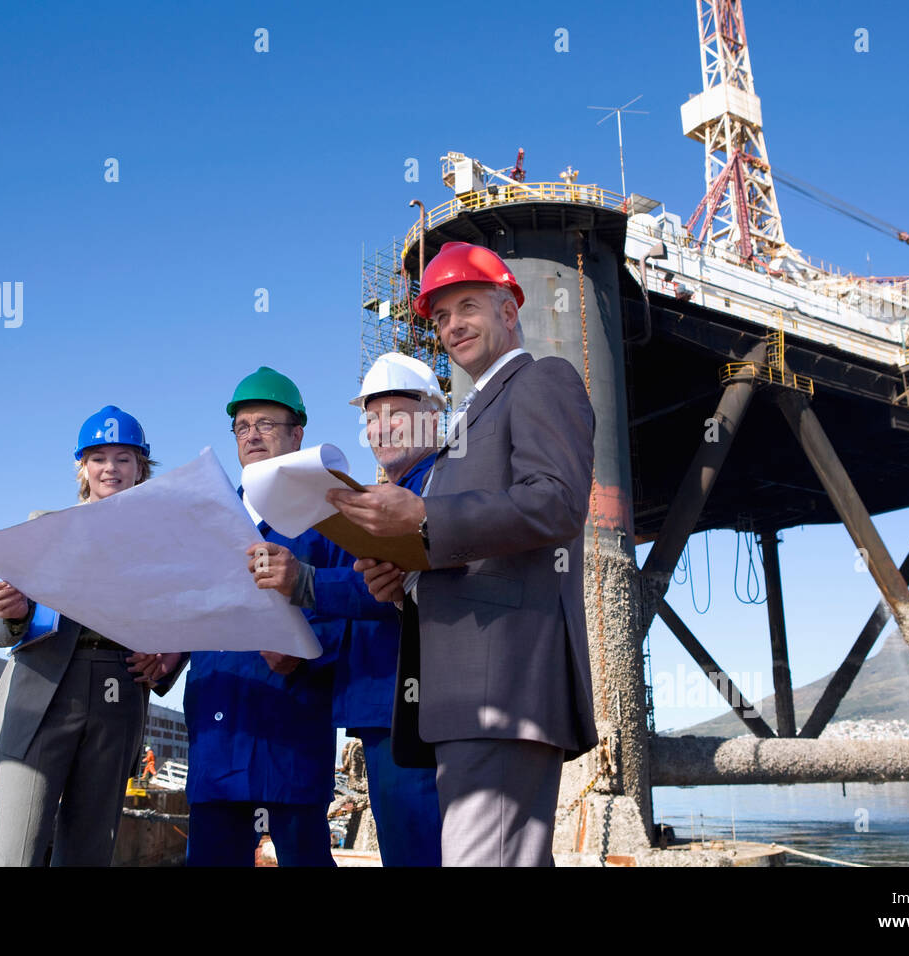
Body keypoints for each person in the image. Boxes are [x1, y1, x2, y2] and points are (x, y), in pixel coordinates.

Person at [327, 242, 598, 866]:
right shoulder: (468, 422)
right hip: (463, 692)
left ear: (510, 310)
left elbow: (556, 503)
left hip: (500, 682)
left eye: (467, 307)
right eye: (441, 317)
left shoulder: (541, 380)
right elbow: (467, 544)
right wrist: (405, 575)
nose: (451, 327)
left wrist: (423, 516)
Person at [249, 352, 444, 866]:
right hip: (384, 707)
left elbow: (395, 584)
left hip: (416, 709)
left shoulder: (438, 489)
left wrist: (305, 582)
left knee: (424, 851)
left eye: (395, 414)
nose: (381, 428)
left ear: (434, 414)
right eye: (372, 418)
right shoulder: (389, 494)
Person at [0, 405, 186, 866]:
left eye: (123, 458)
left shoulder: (165, 545)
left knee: (88, 855)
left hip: (120, 692)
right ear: (83, 468)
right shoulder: (43, 528)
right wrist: (11, 614)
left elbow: (183, 622)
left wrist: (164, 659)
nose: (110, 468)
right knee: (15, 855)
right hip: (43, 690)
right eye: (98, 457)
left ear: (141, 468)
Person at [183, 367, 342, 867]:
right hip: (218, 726)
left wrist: (304, 654)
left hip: (288, 728)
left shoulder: (330, 516)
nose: (251, 435)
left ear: (297, 434)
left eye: (266, 424)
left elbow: (354, 609)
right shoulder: (208, 518)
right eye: (242, 426)